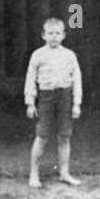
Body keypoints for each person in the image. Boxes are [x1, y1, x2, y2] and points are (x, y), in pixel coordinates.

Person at [24, 17, 83, 188]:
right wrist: (30, 102)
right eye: (50, 33)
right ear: (44, 35)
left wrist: (76, 103)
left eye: (57, 33)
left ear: (63, 35)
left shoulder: (69, 55)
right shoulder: (38, 55)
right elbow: (30, 78)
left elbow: (77, 80)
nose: (54, 37)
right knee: (42, 136)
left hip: (65, 96)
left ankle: (64, 173)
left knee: (64, 136)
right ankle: (34, 174)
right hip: (46, 97)